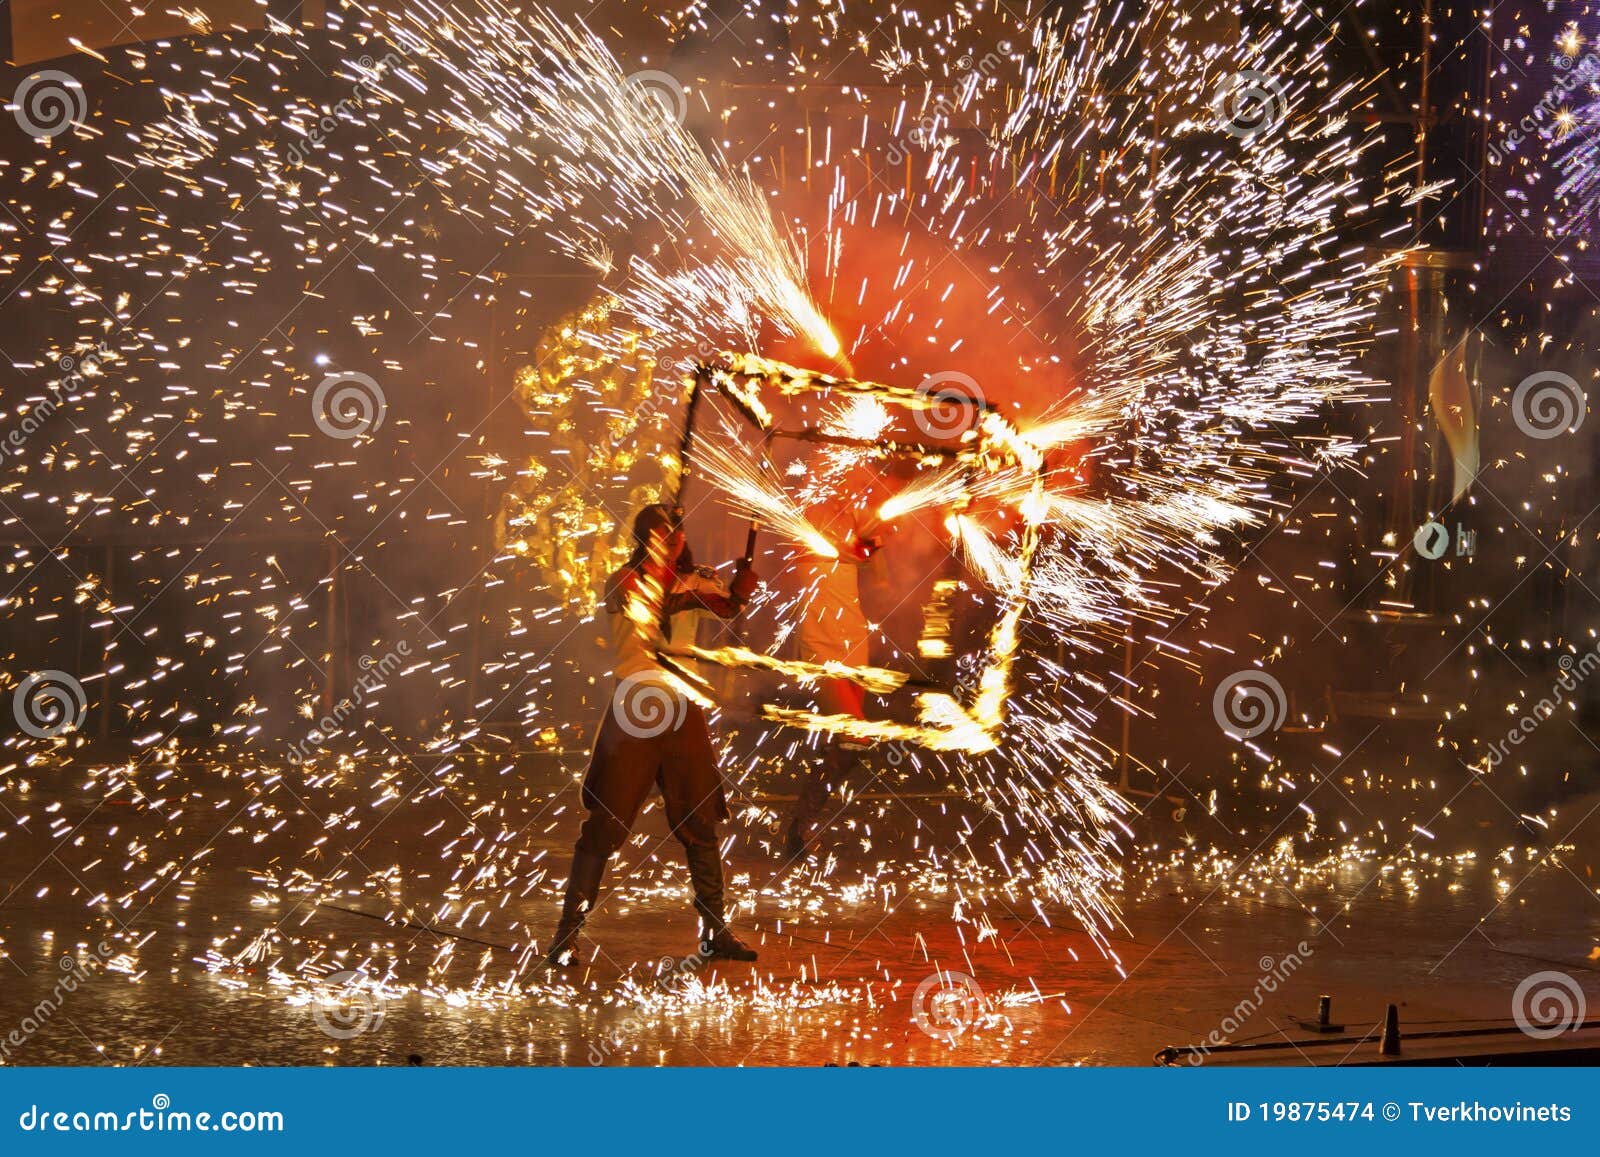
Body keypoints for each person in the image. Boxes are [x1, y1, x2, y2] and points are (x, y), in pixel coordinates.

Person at [548, 503, 761, 966]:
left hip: (681, 708)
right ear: (643, 538)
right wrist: (706, 592)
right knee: (605, 825)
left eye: (674, 533)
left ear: (682, 539)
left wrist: (740, 593)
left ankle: (715, 932)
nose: (669, 540)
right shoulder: (622, 581)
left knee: (701, 823)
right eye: (658, 532)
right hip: (635, 706)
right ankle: (567, 935)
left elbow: (723, 608)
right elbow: (657, 609)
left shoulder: (695, 579)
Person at [781, 495, 886, 861]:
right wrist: (863, 545)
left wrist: (874, 542)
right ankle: (802, 820)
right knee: (855, 735)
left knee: (849, 746)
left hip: (854, 643)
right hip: (821, 648)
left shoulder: (849, 536)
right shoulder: (807, 536)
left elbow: (877, 574)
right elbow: (836, 555)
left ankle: (801, 820)